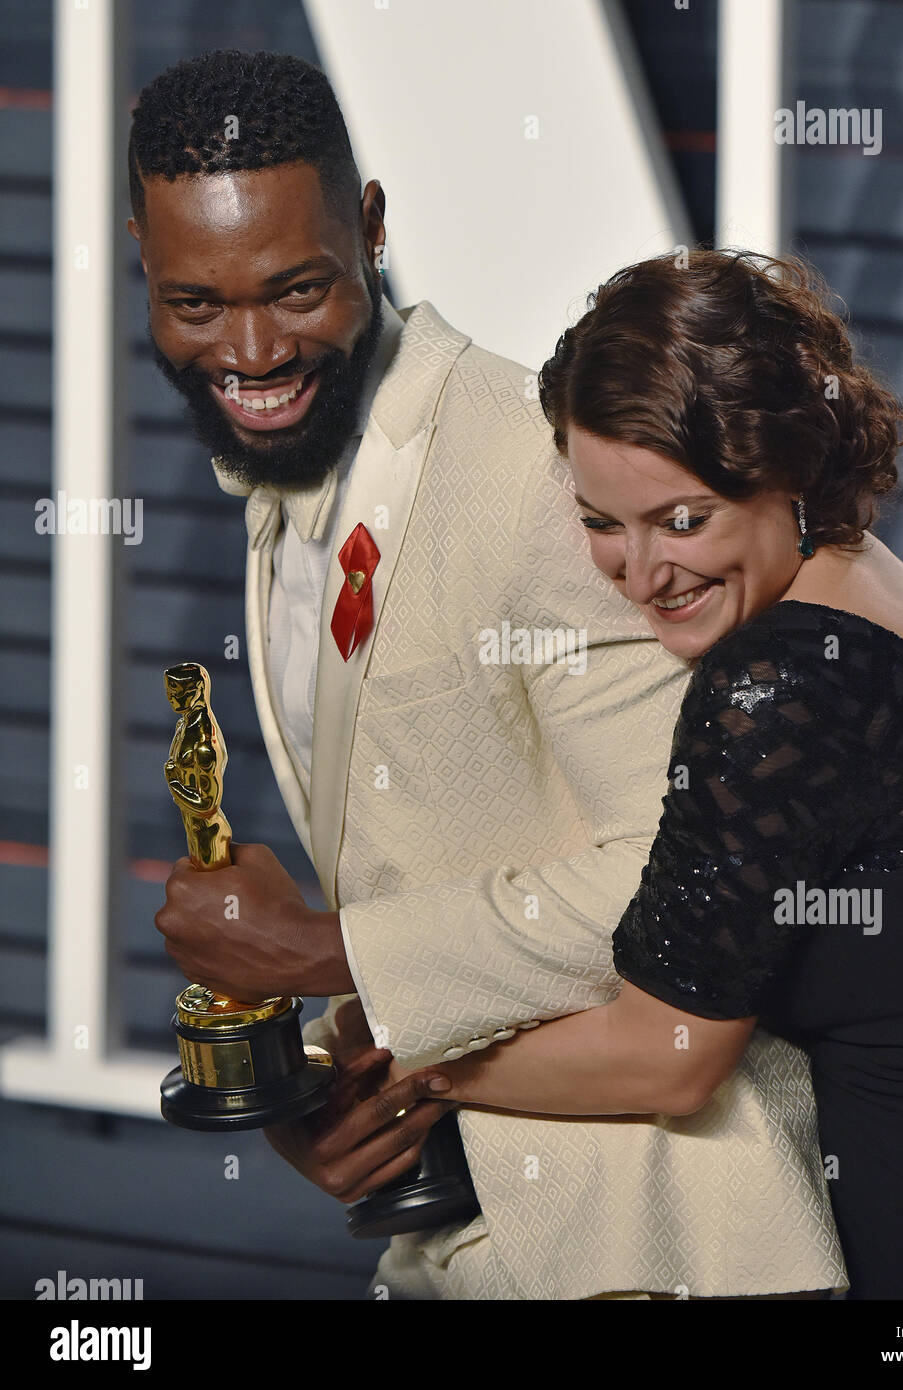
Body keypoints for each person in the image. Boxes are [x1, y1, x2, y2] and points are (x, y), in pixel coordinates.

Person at [141, 52, 844, 1300]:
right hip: (483, 1237)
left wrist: (325, 953)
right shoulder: (289, 474)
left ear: (371, 227)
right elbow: (447, 869)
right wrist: (331, 1079)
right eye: (197, 305)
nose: (249, 350)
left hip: (661, 1238)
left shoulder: (535, 471)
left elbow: (671, 869)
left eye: (296, 289)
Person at [382, 247, 903, 1300]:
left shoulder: (775, 677)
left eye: (682, 519)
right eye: (602, 524)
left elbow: (669, 1054)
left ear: (783, 468)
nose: (642, 575)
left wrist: (421, 1069)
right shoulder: (868, 580)